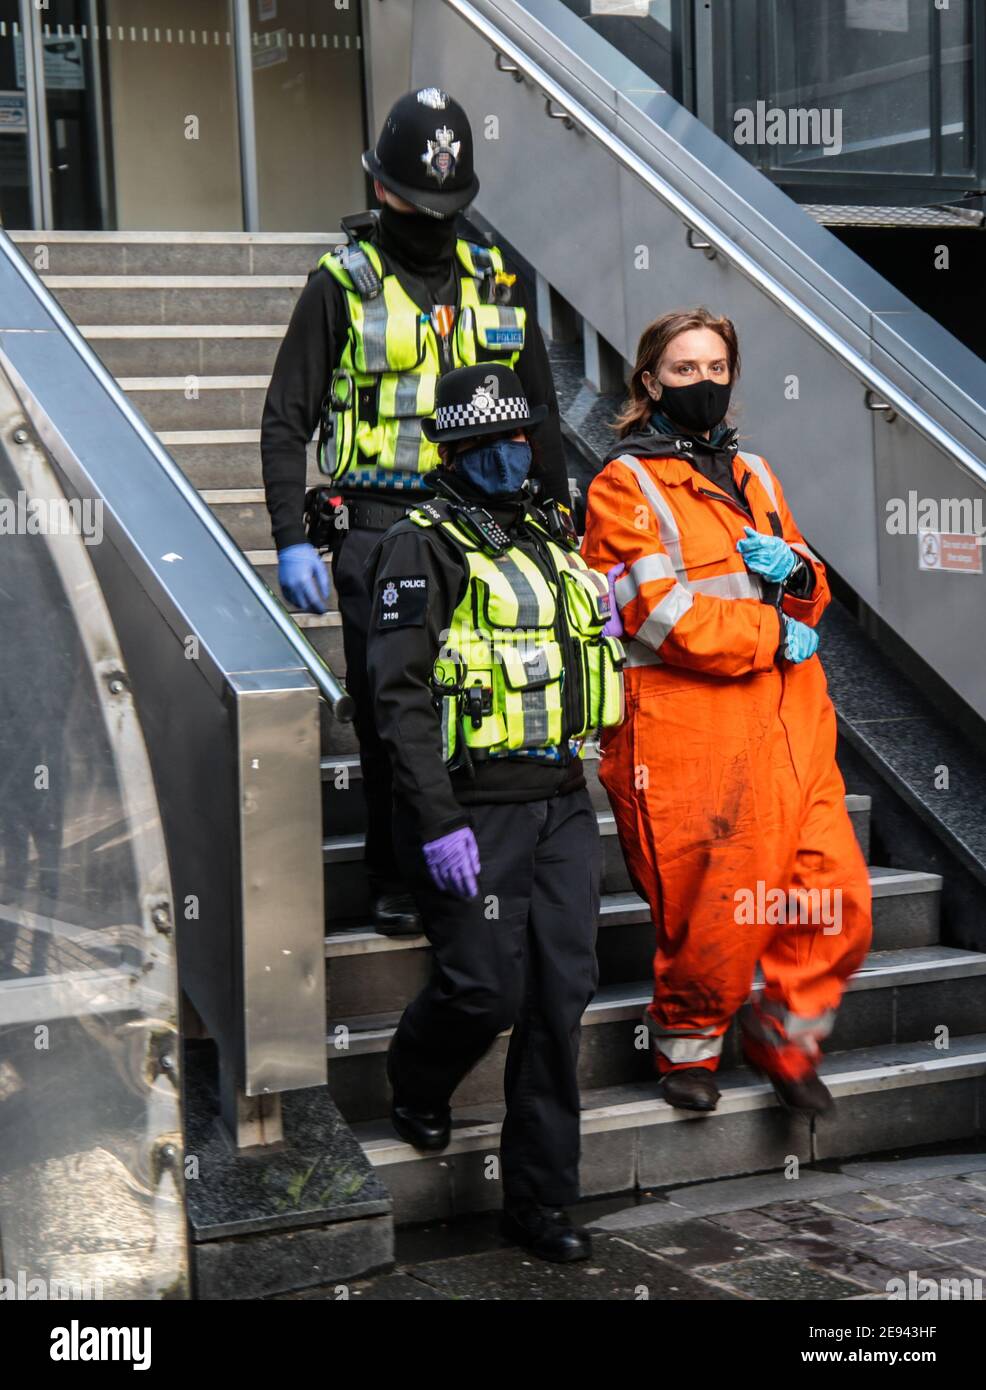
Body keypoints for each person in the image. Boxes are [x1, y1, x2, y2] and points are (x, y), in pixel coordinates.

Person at [261, 87, 569, 935]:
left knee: (475, 690)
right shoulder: (341, 284)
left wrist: (560, 529)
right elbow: (287, 417)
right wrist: (292, 538)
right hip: (378, 525)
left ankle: (485, 858)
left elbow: (539, 416)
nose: (430, 218)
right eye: (415, 201)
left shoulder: (497, 280)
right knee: (390, 704)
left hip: (487, 527)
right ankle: (395, 874)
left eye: (446, 205)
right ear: (381, 190)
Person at [581, 307, 872, 1116]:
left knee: (834, 896)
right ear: (649, 381)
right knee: (714, 907)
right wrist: (772, 627)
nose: (703, 383)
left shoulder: (757, 475)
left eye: (716, 369)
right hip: (688, 733)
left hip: (791, 729)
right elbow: (660, 615)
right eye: (684, 370)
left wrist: (799, 582)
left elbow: (809, 582)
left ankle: (782, 1034)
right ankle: (688, 1049)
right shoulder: (623, 485)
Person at [364, 363, 625, 1261]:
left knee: (559, 1001)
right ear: (453, 452)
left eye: (518, 440)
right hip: (469, 810)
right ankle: (417, 1078)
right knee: (484, 987)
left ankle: (541, 1202)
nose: (509, 456)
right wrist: (435, 824)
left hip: (558, 803)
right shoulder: (420, 545)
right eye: (487, 445)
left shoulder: (555, 539)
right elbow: (397, 702)